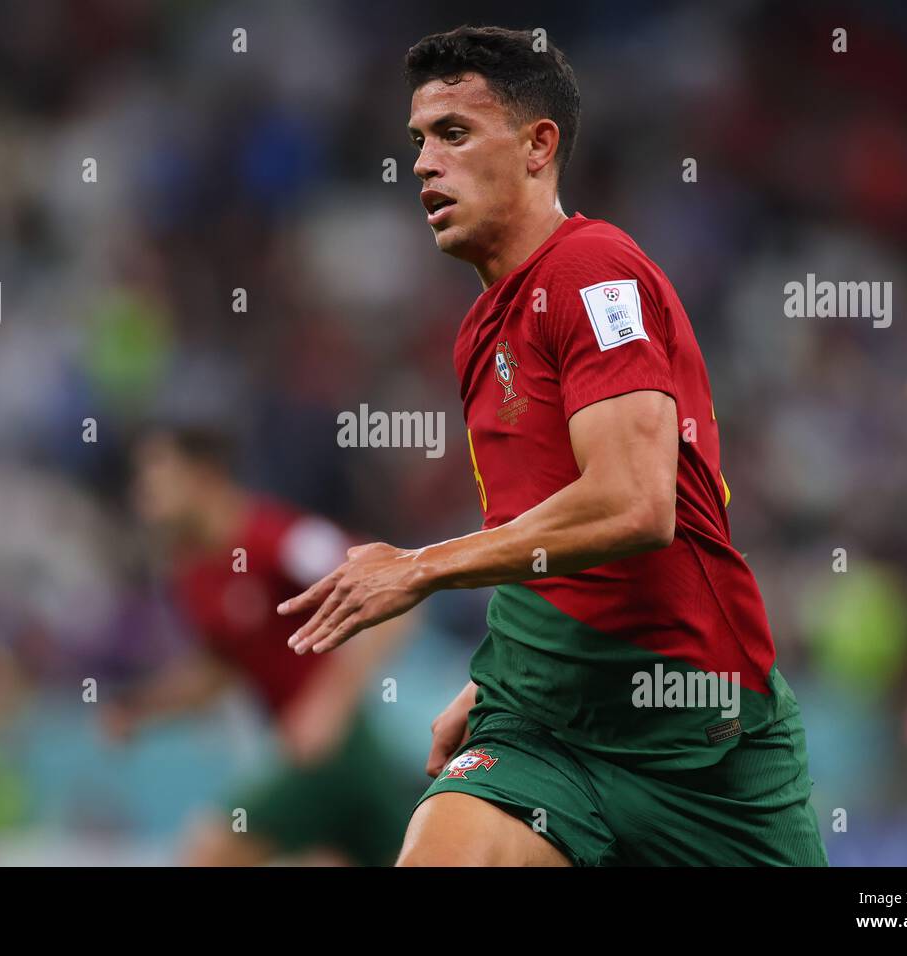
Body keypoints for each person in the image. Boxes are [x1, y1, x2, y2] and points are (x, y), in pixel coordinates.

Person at [279, 25, 827, 866]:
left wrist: (420, 566)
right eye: (418, 141)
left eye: (453, 134)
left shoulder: (594, 271)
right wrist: (500, 670)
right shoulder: (478, 331)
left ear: (540, 147)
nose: (423, 164)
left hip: (699, 741)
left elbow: (635, 507)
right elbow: (541, 530)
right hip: (540, 731)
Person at [104, 425, 417, 865]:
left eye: (157, 474)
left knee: (209, 854)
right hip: (318, 760)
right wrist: (142, 708)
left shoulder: (278, 538)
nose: (143, 491)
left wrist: (328, 705)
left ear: (204, 476)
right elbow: (218, 673)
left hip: (334, 752)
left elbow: (395, 597)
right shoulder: (191, 573)